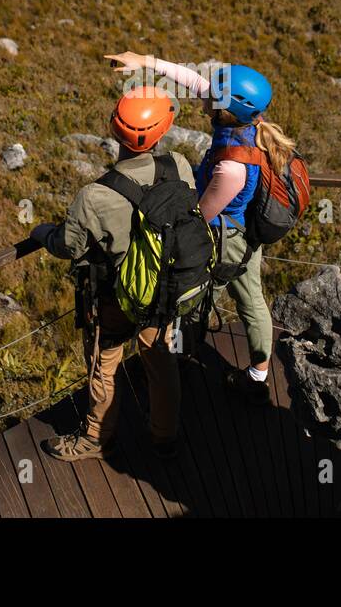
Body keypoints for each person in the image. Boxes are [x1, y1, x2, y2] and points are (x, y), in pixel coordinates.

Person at [104, 51, 296, 406]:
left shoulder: (232, 168)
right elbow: (192, 80)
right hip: (245, 231)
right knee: (250, 297)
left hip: (227, 239)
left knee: (196, 295)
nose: (204, 93)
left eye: (214, 94)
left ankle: (186, 365)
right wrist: (144, 61)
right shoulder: (244, 124)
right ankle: (257, 373)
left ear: (225, 109)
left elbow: (200, 216)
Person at [31, 86, 198, 462]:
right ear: (163, 130)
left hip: (116, 294)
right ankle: (165, 436)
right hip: (166, 286)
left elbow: (67, 246)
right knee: (160, 358)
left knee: (104, 363)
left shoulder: (95, 195)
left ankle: (95, 439)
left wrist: (40, 232)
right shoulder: (180, 165)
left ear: (114, 129)